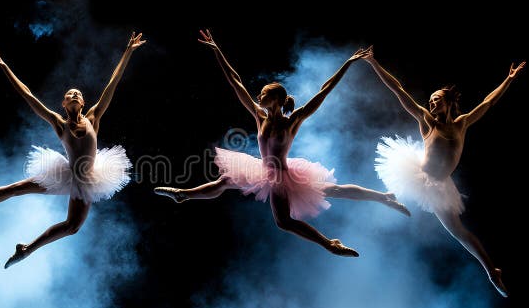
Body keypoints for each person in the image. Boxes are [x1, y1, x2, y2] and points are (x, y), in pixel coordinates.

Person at [155, 30, 408, 257]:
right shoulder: (259, 115)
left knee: (314, 203)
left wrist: (347, 63)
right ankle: (183, 195)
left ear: (275, 98)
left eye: (263, 94)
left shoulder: (293, 120)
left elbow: (325, 90)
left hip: (283, 175)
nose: (258, 96)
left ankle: (352, 225)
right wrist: (217, 50)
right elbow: (236, 82)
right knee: (225, 182)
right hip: (262, 170)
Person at [0, 33, 144, 268]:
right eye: (70, 94)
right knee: (17, 188)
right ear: (63, 103)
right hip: (66, 174)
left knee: (73, 227)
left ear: (82, 103)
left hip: (89, 177)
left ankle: (27, 249)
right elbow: (28, 94)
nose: (75, 95)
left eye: (78, 94)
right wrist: (4, 66)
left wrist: (128, 51)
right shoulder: (59, 123)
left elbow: (113, 83)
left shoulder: (93, 117)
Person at [364, 50, 524, 297]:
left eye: (436, 99)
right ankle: (375, 204)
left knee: (459, 232)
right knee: (390, 199)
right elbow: (398, 90)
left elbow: (488, 102)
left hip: (441, 184)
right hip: (419, 175)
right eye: (430, 100)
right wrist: (374, 62)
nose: (431, 103)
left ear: (449, 102)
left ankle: (493, 272)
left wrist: (509, 79)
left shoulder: (462, 123)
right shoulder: (428, 121)